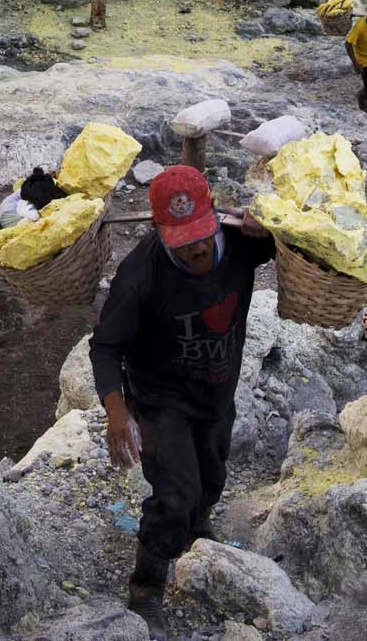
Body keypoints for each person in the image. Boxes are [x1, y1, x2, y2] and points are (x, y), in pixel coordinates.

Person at [90, 166, 276, 608]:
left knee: (211, 477)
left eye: (201, 234)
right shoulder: (140, 275)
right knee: (175, 495)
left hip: (215, 389)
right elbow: (105, 348)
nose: (196, 249)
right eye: (182, 240)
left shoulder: (241, 244)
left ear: (215, 214)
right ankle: (146, 591)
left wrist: (271, 226)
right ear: (160, 230)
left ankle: (196, 532)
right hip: (160, 398)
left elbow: (302, 244)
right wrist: (117, 412)